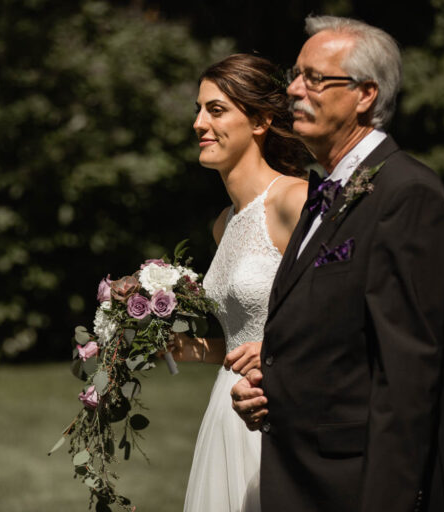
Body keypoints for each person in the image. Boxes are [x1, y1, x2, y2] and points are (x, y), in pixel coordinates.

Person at [230, 15, 444, 512]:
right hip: (300, 477)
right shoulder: (324, 193)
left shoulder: (407, 195)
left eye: (314, 78)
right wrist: (273, 383)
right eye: (296, 75)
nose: (293, 89)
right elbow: (337, 330)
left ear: (365, 94)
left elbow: (407, 380)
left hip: (355, 488)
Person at [167, 53, 310, 512]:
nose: (198, 124)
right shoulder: (223, 224)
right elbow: (242, 339)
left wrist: (277, 348)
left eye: (216, 109)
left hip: (279, 413)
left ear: (261, 120)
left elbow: (335, 311)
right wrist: (177, 347)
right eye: (198, 109)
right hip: (225, 417)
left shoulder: (294, 200)